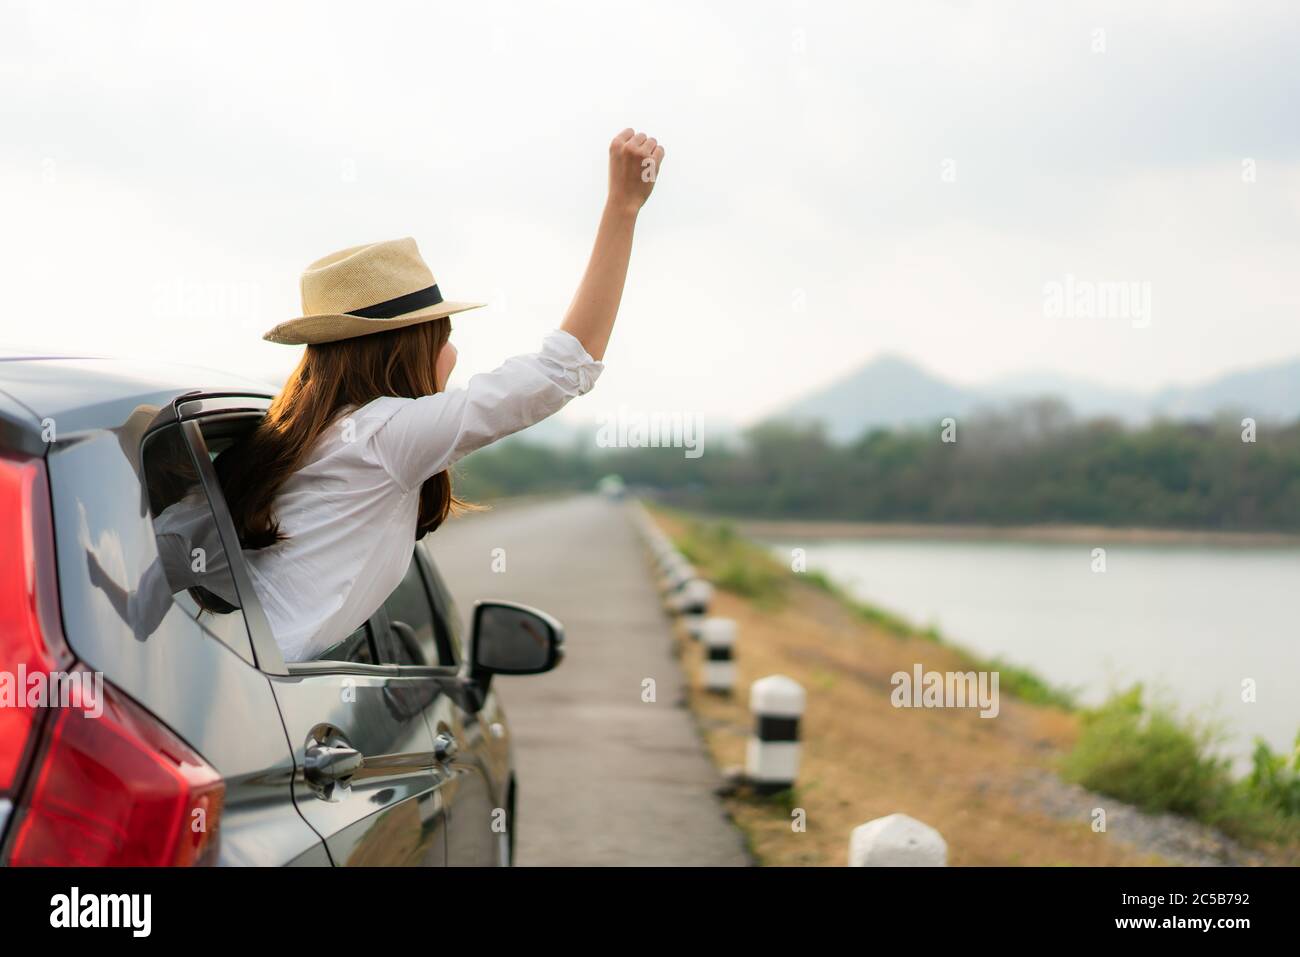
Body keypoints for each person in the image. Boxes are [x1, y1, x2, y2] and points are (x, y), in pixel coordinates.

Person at [212, 128, 665, 661]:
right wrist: (623, 208)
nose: (454, 356)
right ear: (407, 350)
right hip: (267, 707)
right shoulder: (384, 432)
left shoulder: (292, 435)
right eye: (445, 338)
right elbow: (561, 370)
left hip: (231, 689)